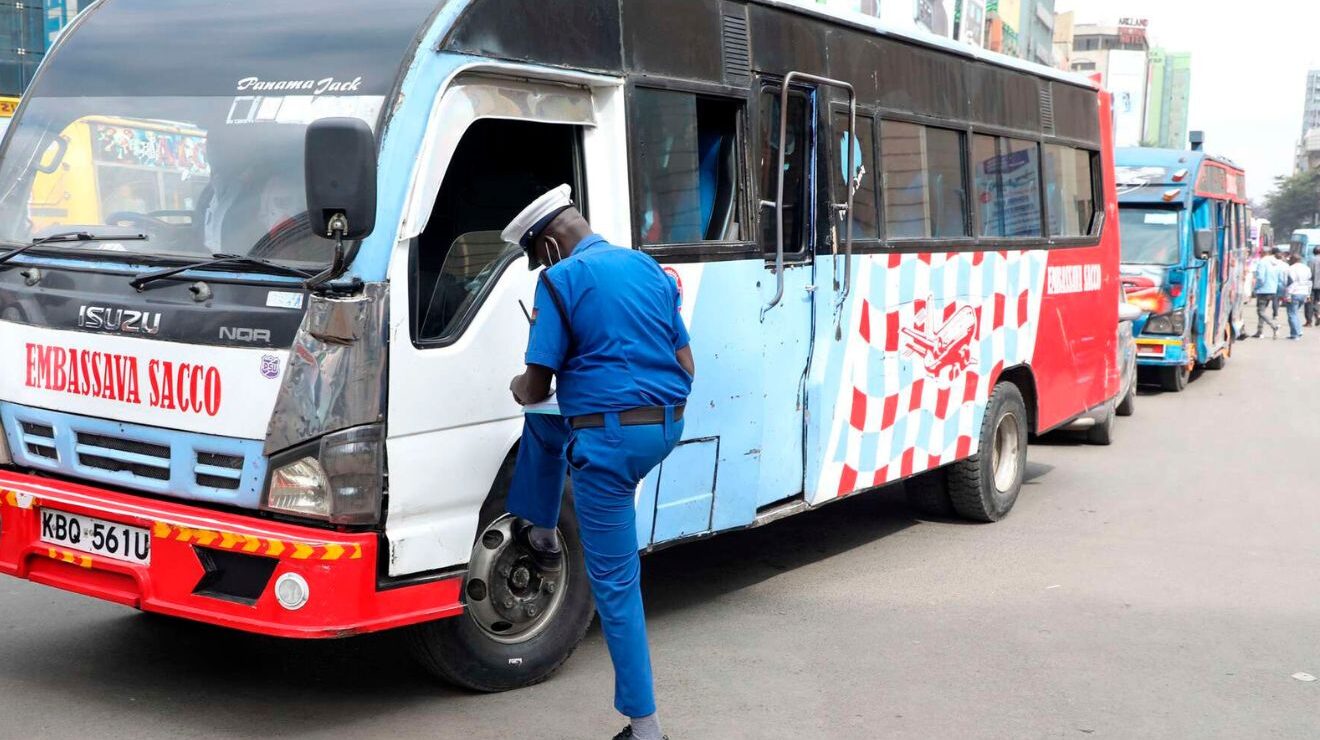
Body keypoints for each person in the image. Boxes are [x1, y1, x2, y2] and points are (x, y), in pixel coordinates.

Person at [502, 185, 694, 740]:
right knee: (548, 422)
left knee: (616, 583)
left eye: (536, 256)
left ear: (550, 247)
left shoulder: (559, 281)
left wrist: (520, 384)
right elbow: (686, 361)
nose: (539, 266)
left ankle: (646, 727)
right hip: (665, 424)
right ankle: (540, 528)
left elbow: (535, 382)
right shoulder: (649, 267)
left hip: (610, 446)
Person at [1252, 248, 1285, 339]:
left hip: (1263, 290)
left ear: (1263, 253)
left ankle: (1274, 326)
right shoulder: (1277, 263)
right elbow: (1280, 279)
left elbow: (1261, 278)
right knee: (1262, 311)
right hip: (1272, 290)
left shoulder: (1262, 262)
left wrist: (1256, 288)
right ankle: (1260, 331)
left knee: (1260, 311)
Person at [1284, 252, 1313, 340]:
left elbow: (1288, 283)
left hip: (1294, 293)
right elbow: (1309, 282)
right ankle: (1299, 331)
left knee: (1292, 313)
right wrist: (1308, 294)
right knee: (1295, 313)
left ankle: (1295, 334)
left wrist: (1287, 296)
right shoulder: (1307, 268)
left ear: (1293, 259)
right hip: (1304, 292)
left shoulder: (1290, 269)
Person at [1306, 246, 1320, 327]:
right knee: (1318, 301)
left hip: (1312, 284)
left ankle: (1309, 321)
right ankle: (1318, 314)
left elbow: (1309, 273)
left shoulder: (1311, 260)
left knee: (1309, 302)